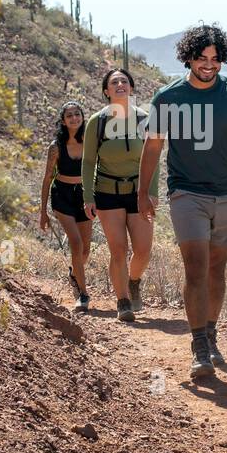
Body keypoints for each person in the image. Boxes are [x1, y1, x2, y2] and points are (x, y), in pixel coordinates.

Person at [138, 24, 227, 380]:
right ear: (189, 57)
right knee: (195, 267)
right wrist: (143, 191)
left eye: (216, 58)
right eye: (202, 58)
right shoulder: (168, 97)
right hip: (186, 193)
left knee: (217, 269)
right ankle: (198, 345)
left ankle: (210, 332)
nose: (209, 64)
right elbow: (153, 146)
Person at [82, 68, 157, 323]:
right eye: (114, 82)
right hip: (107, 192)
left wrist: (152, 192)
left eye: (124, 81)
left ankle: (134, 281)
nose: (120, 84)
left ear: (132, 88)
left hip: (139, 193)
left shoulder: (145, 119)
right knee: (118, 249)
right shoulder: (97, 121)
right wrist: (88, 196)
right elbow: (89, 160)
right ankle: (123, 301)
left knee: (144, 250)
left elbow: (153, 158)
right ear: (106, 91)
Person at [39, 102, 93, 312]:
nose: (74, 118)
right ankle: (83, 293)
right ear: (63, 121)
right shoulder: (55, 147)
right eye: (69, 115)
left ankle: (74, 274)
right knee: (76, 243)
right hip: (62, 197)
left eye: (77, 114)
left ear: (82, 117)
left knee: (86, 249)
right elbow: (46, 179)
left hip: (84, 195)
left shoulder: (90, 142)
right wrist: (43, 211)